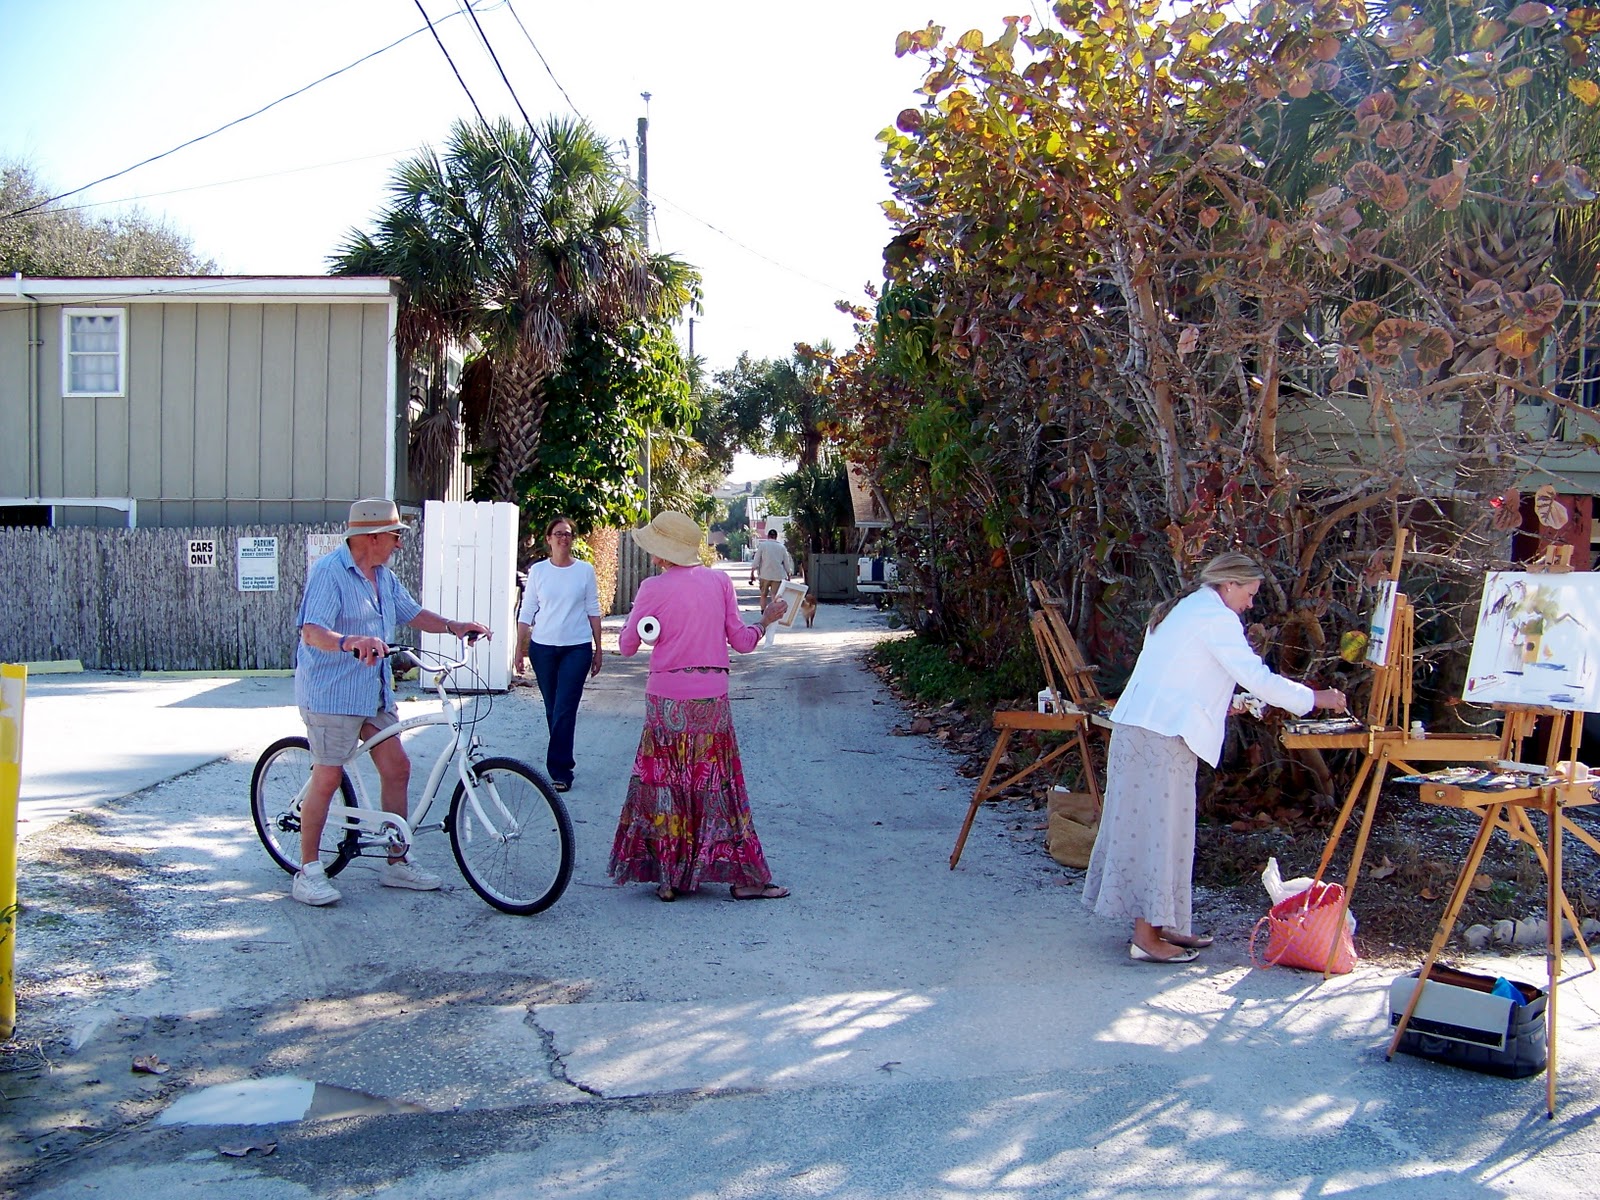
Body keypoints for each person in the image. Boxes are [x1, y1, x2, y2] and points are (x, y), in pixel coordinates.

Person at [1082, 551, 1347, 962]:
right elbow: (1256, 677)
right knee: (1160, 834)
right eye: (1250, 593)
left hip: (1145, 731)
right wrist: (1316, 698)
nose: (1251, 603)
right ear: (1229, 585)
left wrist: (1225, 703)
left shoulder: (1190, 608)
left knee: (1161, 832)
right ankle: (1146, 938)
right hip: (1158, 737)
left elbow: (1179, 674)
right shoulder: (1215, 618)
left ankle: (1161, 924)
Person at [290, 498, 491, 907]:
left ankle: (396, 861)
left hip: (374, 692)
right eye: (396, 536)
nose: (400, 543)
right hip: (333, 693)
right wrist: (350, 642)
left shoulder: (383, 576)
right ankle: (308, 870)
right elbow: (312, 632)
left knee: (397, 767)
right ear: (373, 536)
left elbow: (413, 613)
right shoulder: (331, 573)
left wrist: (453, 626)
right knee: (328, 777)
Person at [609, 510, 791, 902]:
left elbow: (626, 647)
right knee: (718, 786)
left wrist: (641, 627)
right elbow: (741, 642)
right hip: (711, 697)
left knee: (666, 785)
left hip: (665, 700)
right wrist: (766, 619)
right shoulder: (719, 582)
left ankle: (668, 877)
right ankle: (745, 879)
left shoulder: (650, 589)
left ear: (660, 553)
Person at [514, 516, 602, 793]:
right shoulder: (538, 571)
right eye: (558, 533)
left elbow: (593, 608)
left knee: (565, 708)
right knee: (553, 708)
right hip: (543, 649)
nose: (564, 538)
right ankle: (561, 759)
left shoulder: (584, 571)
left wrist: (599, 648)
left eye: (568, 534)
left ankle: (560, 771)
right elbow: (527, 610)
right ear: (548, 539)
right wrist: (519, 647)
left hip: (576, 648)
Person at [748, 528, 795, 610]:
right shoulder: (782, 547)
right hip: (778, 575)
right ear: (776, 537)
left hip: (764, 574)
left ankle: (763, 612)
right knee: (775, 595)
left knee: (763, 595)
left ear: (768, 536)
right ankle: (774, 613)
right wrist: (788, 575)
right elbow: (786, 563)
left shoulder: (762, 545)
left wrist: (752, 572)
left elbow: (756, 560)